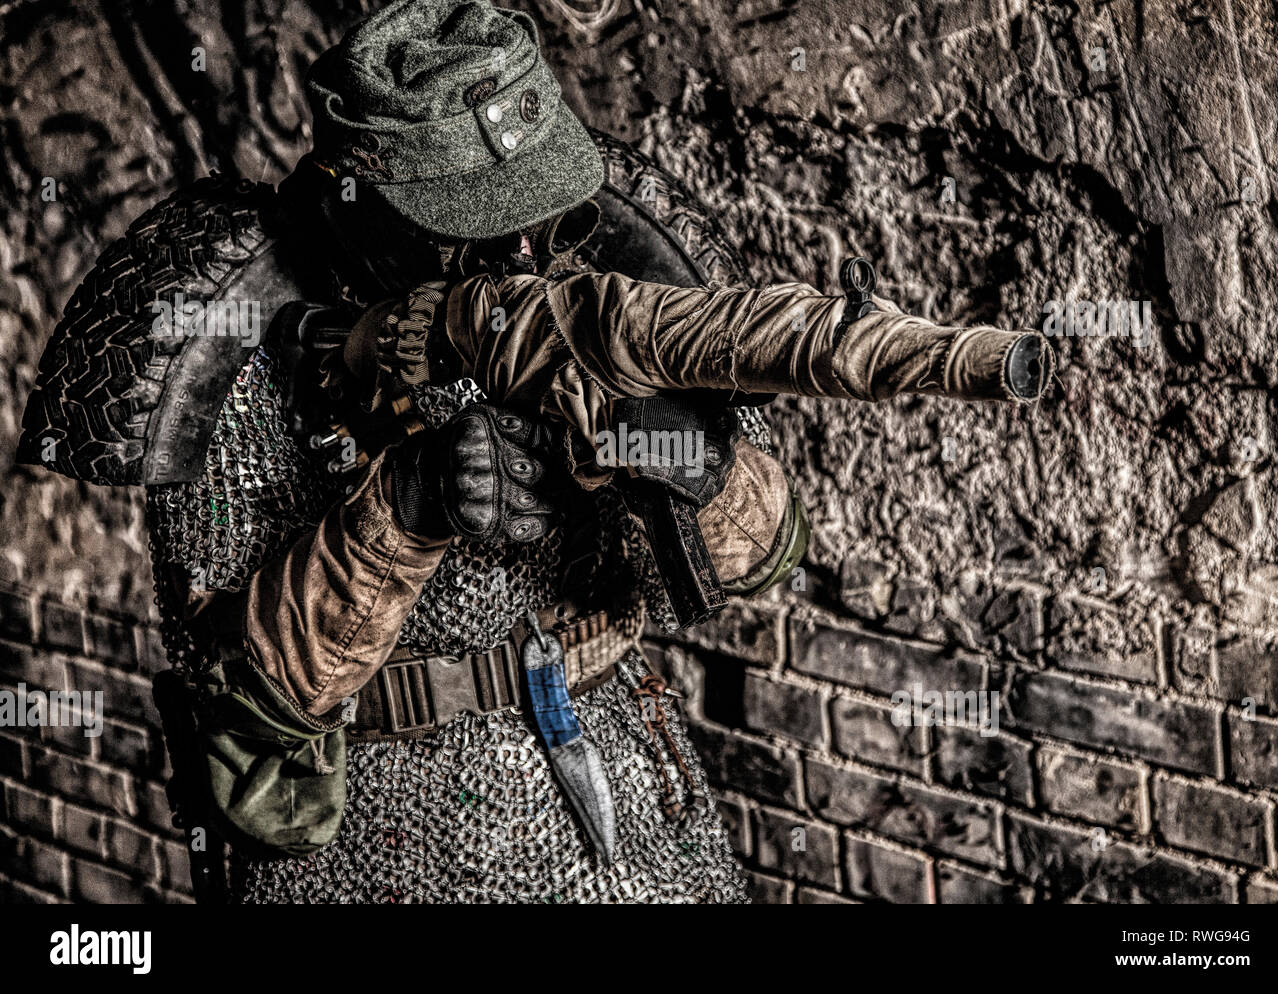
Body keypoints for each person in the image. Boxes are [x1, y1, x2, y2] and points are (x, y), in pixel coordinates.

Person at [139, 0, 1049, 903]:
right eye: (479, 224)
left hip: (624, 789)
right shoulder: (230, 339)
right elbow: (243, 706)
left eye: (538, 212)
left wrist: (693, 466)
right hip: (387, 832)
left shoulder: (594, 279)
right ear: (364, 201)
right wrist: (409, 505)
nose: (529, 248)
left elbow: (760, 559)